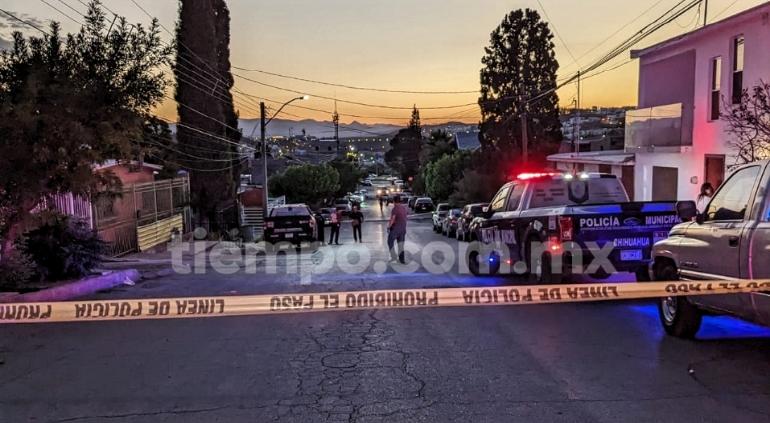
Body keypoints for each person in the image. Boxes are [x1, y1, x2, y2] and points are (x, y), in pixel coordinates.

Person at [387, 195, 408, 264]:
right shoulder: (403, 208)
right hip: (403, 229)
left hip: (395, 229)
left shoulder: (395, 209)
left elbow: (393, 219)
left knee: (390, 241)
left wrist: (389, 226)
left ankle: (393, 257)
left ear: (394, 201)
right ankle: (402, 260)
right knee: (401, 244)